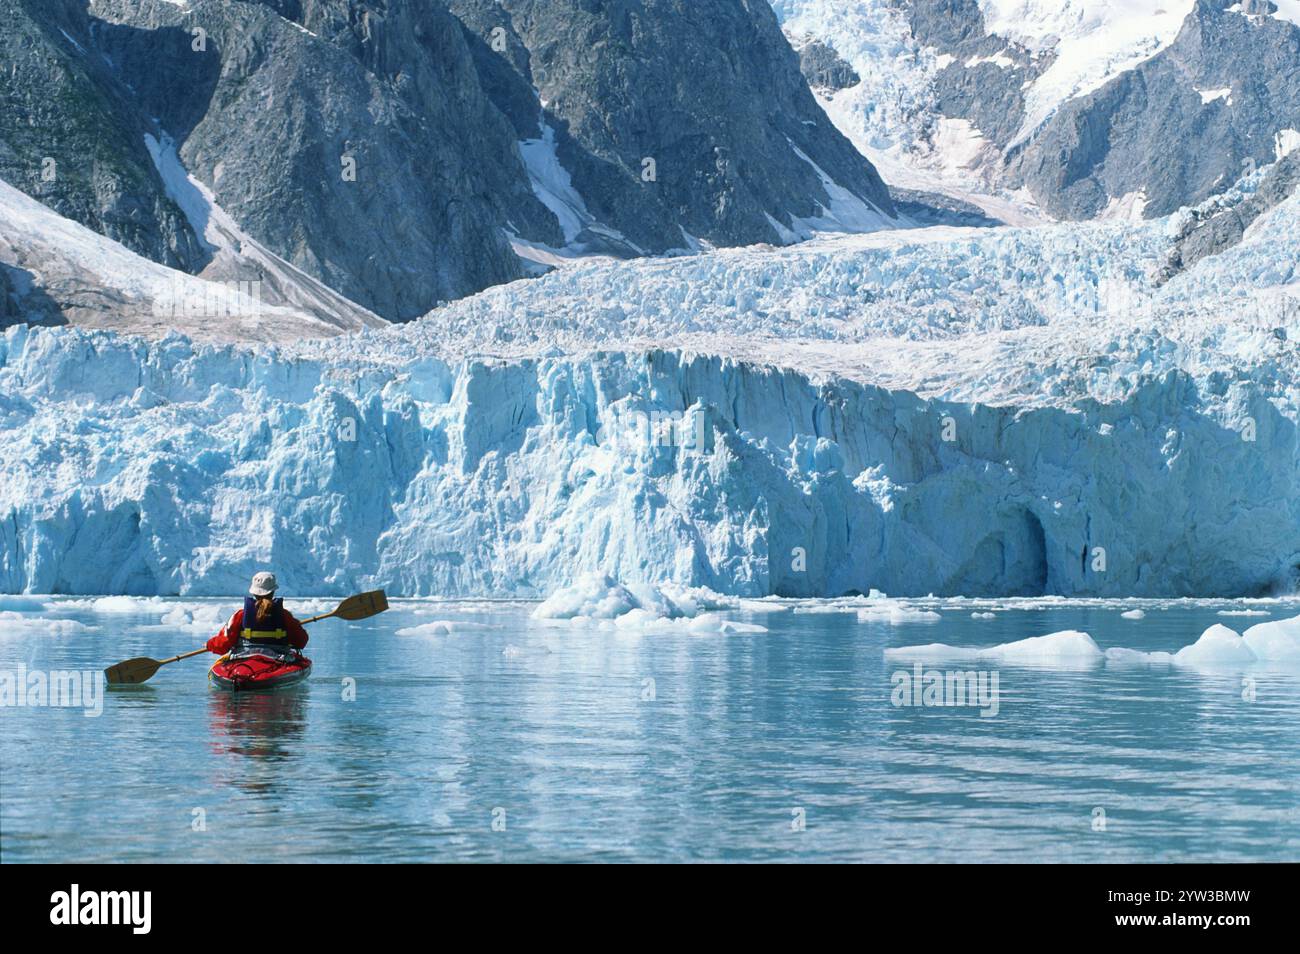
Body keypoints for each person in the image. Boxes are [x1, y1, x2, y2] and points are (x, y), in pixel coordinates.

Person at [207, 571, 309, 659]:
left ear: (253, 592)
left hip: (243, 658)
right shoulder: (285, 616)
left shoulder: (239, 615)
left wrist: (210, 644)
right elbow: (301, 641)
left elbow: (224, 643)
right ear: (273, 592)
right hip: (279, 659)